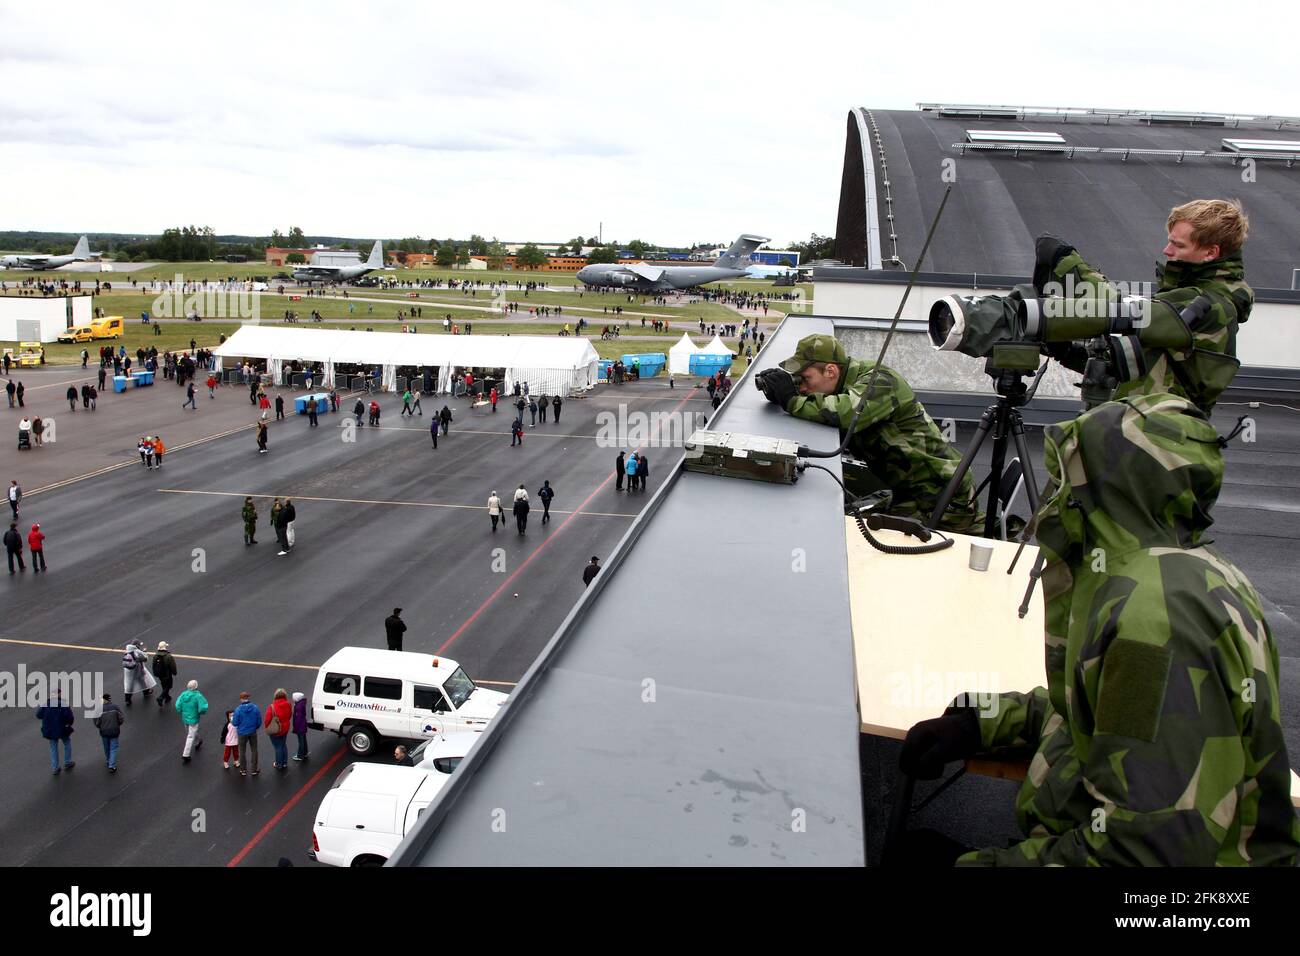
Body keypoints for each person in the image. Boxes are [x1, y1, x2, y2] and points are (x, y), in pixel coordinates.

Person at [900, 393, 1300, 866]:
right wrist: (981, 721)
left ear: (1101, 487)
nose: (1054, 493)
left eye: (1066, 476)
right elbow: (1093, 711)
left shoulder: (1152, 621)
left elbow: (1142, 852)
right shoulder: (1180, 571)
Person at [1033, 199, 1253, 415]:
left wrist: (1066, 261)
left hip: (1159, 437)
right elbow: (1134, 369)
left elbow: (1116, 310)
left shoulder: (1207, 304)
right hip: (1145, 430)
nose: (1166, 250)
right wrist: (1067, 352)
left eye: (1178, 245)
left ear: (1210, 253)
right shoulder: (1190, 296)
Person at [760, 334, 983, 534]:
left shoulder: (880, 380)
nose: (803, 388)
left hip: (944, 499)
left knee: (855, 537)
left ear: (830, 371)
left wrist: (792, 401)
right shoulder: (843, 386)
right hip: (910, 492)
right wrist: (782, 394)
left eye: (805, 379)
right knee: (849, 518)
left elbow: (845, 412)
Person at [36, 693, 75, 774]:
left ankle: (55, 768)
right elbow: (69, 716)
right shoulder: (63, 704)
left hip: (50, 730)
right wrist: (69, 723)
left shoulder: (46, 704)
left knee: (53, 747)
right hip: (62, 728)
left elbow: (38, 715)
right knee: (67, 742)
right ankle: (67, 761)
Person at [175, 679, 208, 764]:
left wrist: (180, 710)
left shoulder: (183, 694)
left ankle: (198, 741)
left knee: (190, 733)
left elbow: (178, 705)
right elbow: (203, 707)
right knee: (190, 736)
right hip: (194, 718)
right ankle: (186, 754)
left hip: (185, 718)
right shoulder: (198, 696)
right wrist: (201, 712)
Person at [93, 694, 123, 773]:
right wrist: (117, 724)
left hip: (104, 731)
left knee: (106, 747)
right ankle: (112, 765)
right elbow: (121, 718)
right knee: (113, 748)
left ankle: (108, 760)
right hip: (114, 730)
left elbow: (96, 721)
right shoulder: (115, 707)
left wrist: (100, 727)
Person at [232, 692, 261, 776]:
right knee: (254, 750)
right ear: (248, 698)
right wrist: (255, 727)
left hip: (242, 733)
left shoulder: (238, 710)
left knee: (242, 751)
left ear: (241, 699)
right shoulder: (255, 708)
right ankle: (254, 769)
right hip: (252, 731)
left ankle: (243, 770)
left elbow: (235, 723)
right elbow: (259, 721)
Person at [264, 689, 293, 771]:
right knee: (283, 745)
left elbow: (267, 720)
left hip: (276, 729)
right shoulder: (288, 704)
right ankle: (284, 763)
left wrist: (267, 727)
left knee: (278, 747)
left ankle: (278, 764)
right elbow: (290, 715)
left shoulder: (272, 706)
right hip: (285, 728)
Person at [121, 640, 156, 706]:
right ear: (136, 645)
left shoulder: (127, 650)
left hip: (128, 670)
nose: (140, 646)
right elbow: (145, 658)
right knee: (142, 679)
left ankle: (127, 699)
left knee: (129, 684)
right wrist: (145, 652)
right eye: (139, 645)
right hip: (136, 669)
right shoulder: (137, 651)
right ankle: (146, 692)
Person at [152, 641, 178, 706]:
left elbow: (153, 665)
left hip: (160, 674)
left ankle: (167, 697)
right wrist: (174, 673)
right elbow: (172, 666)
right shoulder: (169, 656)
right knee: (168, 686)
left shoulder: (155, 656)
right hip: (167, 674)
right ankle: (161, 698)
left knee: (164, 685)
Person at [291, 692, 310, 762]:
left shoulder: (298, 707)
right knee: (304, 740)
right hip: (303, 725)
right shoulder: (301, 704)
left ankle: (300, 755)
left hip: (300, 727)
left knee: (301, 741)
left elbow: (297, 719)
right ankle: (305, 752)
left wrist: (295, 728)